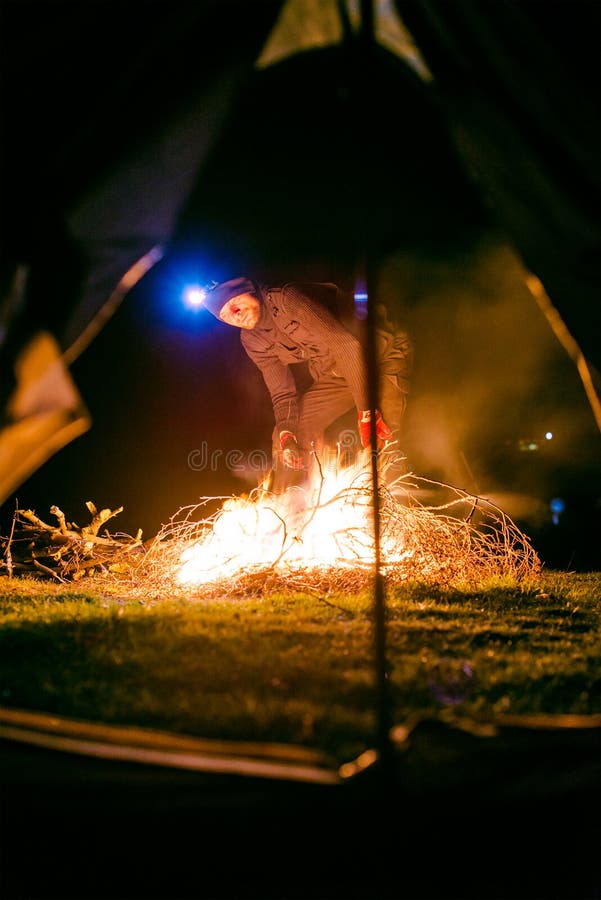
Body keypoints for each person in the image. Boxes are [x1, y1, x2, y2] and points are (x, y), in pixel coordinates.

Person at [202, 276, 413, 487]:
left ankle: (394, 502)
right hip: (339, 373)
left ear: (248, 290)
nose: (234, 315)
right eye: (225, 315)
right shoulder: (253, 341)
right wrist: (287, 437)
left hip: (380, 354)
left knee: (382, 438)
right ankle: (285, 504)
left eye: (234, 303)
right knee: (291, 434)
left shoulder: (288, 299)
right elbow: (282, 393)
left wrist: (367, 413)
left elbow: (346, 346)